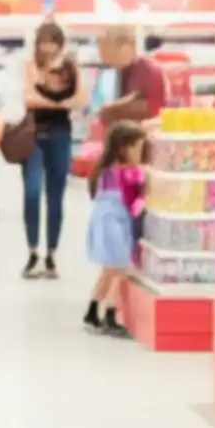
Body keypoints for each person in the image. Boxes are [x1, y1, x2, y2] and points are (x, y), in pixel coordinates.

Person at [21, 21, 87, 279]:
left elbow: (81, 99)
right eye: (44, 41)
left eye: (53, 42)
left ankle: (51, 253)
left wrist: (48, 102)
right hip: (33, 134)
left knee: (56, 194)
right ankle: (32, 250)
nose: (48, 47)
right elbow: (28, 98)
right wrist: (61, 103)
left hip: (61, 134)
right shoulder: (30, 66)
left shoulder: (70, 66)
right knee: (32, 191)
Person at [84, 120, 147, 338]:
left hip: (104, 222)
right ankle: (110, 314)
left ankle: (93, 310)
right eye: (138, 148)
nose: (140, 153)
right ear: (125, 148)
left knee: (110, 270)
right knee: (119, 269)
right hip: (115, 224)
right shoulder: (128, 172)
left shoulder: (104, 170)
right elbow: (134, 202)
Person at [97, 25, 166, 126]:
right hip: (134, 121)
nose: (112, 63)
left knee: (108, 113)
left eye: (113, 56)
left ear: (126, 48)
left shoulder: (146, 68)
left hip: (151, 118)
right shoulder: (124, 71)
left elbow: (135, 96)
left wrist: (110, 107)